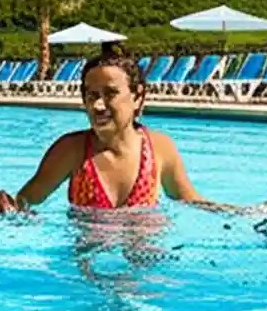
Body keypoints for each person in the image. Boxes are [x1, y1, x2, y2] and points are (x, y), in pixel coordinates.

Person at [15, 50, 215, 210]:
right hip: (90, 256)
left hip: (143, 254)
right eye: (92, 95)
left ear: (137, 97)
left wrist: (238, 213)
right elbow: (23, 203)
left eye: (110, 93)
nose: (98, 106)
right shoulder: (71, 151)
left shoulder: (159, 149)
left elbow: (192, 202)